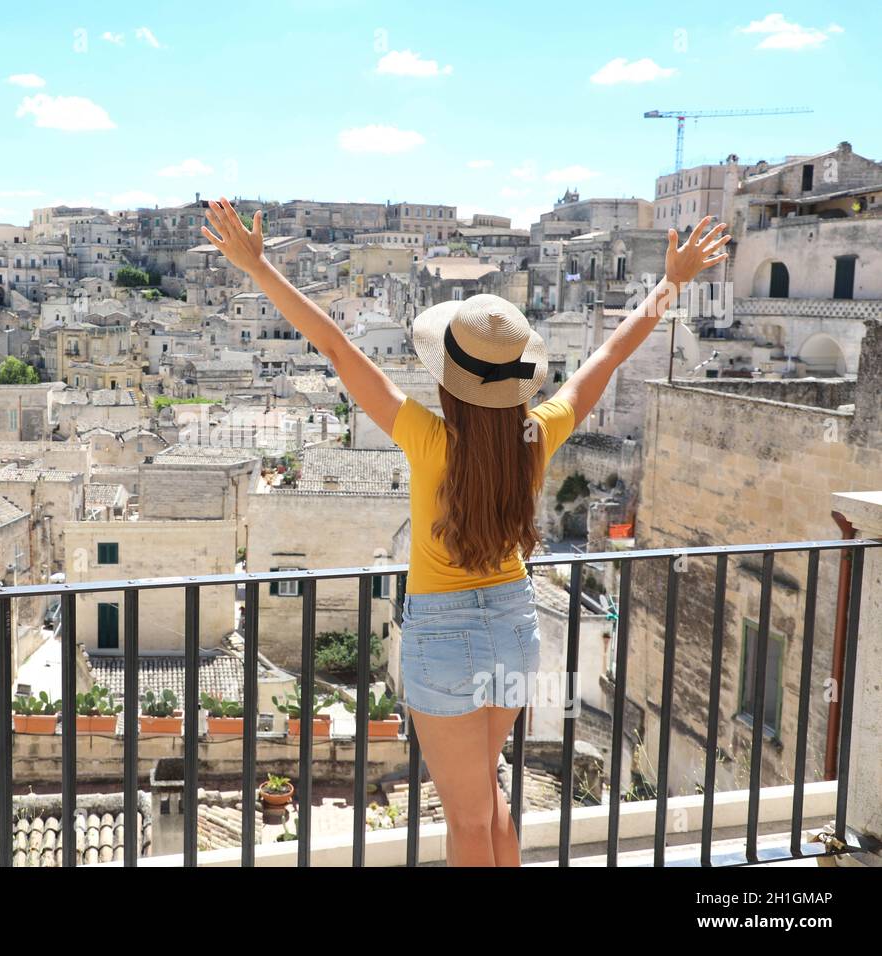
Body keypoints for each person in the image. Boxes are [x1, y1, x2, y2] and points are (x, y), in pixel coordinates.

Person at [200, 198, 731, 866]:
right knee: (491, 797)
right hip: (516, 623)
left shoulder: (426, 438)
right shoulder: (538, 436)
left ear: (448, 378)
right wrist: (671, 281)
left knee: (467, 819)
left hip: (443, 639)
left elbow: (335, 343)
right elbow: (612, 353)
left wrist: (260, 267)